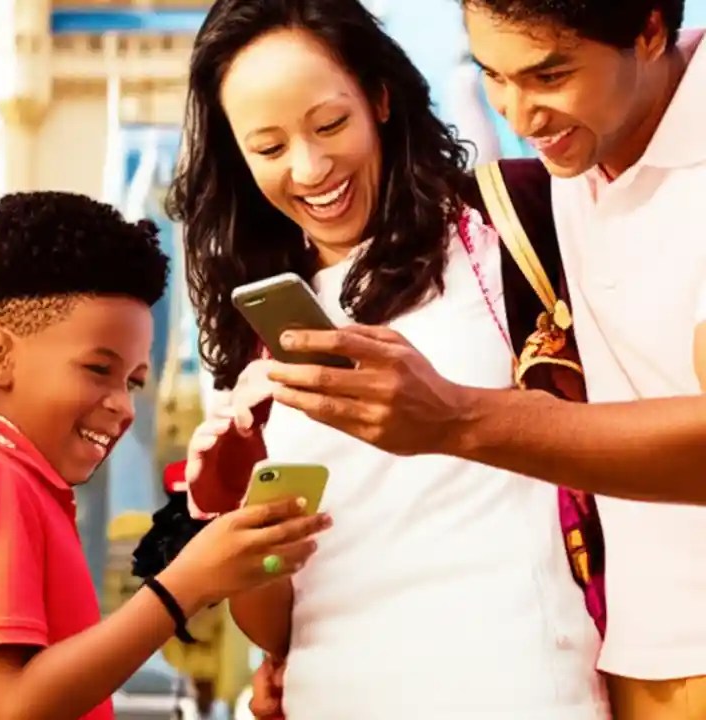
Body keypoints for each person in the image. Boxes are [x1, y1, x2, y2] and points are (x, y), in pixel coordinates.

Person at [257, 0, 706, 716]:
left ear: (649, 30)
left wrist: (457, 419)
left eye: (549, 74)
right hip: (631, 663)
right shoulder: (568, 168)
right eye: (491, 74)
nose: (520, 116)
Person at [164, 0, 609, 716]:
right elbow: (274, 624)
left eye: (330, 124)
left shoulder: (510, 224)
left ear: (379, 97)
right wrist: (236, 517)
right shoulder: (259, 333)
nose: (310, 169)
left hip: (521, 687)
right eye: (269, 149)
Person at [0, 191, 330, 720]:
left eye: (134, 382)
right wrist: (185, 585)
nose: (123, 406)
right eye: (98, 370)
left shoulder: (15, 484)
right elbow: (15, 705)